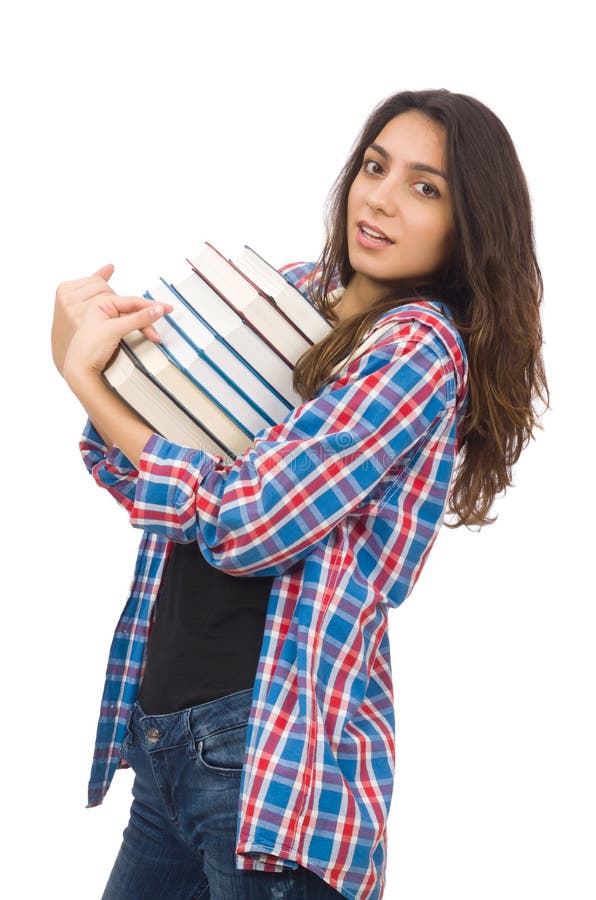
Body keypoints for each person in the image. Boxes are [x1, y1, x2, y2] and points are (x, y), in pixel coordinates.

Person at [51, 89, 549, 900]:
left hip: (267, 763)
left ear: (471, 227)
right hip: (165, 741)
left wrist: (81, 376)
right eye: (375, 166)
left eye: (427, 187)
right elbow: (120, 464)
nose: (381, 196)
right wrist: (82, 356)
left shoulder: (419, 348)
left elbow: (250, 523)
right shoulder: (289, 292)